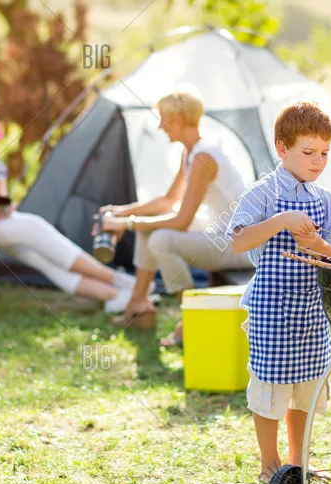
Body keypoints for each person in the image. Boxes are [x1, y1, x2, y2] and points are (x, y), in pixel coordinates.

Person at [0, 53, 136, 311]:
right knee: (32, 228)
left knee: (32, 250)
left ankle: (114, 294)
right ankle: (121, 280)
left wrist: (0, 203)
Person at [227, 102, 331, 481]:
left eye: (324, 153)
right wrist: (281, 221)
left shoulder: (326, 201)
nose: (318, 161)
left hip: (310, 311)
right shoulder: (262, 192)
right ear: (282, 148)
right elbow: (238, 241)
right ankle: (269, 464)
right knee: (271, 391)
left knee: (306, 391)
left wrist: (317, 246)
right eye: (308, 152)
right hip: (271, 310)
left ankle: (299, 462)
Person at [98, 87, 254, 346]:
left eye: (162, 119)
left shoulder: (204, 156)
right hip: (219, 234)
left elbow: (181, 220)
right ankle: (139, 305)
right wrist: (122, 211)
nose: (160, 127)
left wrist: (125, 224)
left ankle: (190, 320)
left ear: (177, 120)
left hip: (238, 244)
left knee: (161, 239)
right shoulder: (192, 152)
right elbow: (168, 201)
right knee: (149, 230)